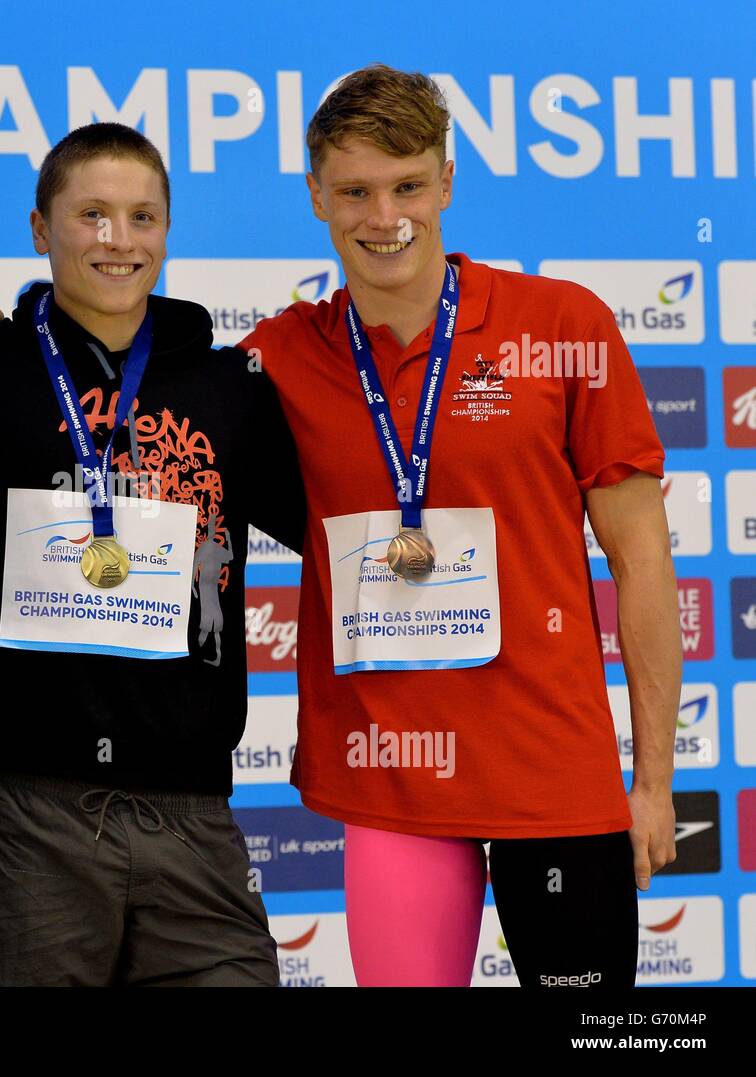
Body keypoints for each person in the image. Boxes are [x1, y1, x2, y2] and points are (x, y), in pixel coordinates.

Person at [239, 64, 680, 987]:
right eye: (354, 190)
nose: (383, 215)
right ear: (315, 194)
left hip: (554, 776)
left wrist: (651, 780)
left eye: (407, 186)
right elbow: (135, 407)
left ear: (446, 182)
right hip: (394, 783)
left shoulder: (563, 323)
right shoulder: (277, 356)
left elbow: (643, 560)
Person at [0, 122, 304, 986]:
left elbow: (336, 527)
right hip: (31, 816)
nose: (117, 239)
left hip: (196, 814)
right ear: (39, 228)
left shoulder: (227, 385)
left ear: (167, 230)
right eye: (91, 214)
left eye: (141, 217)